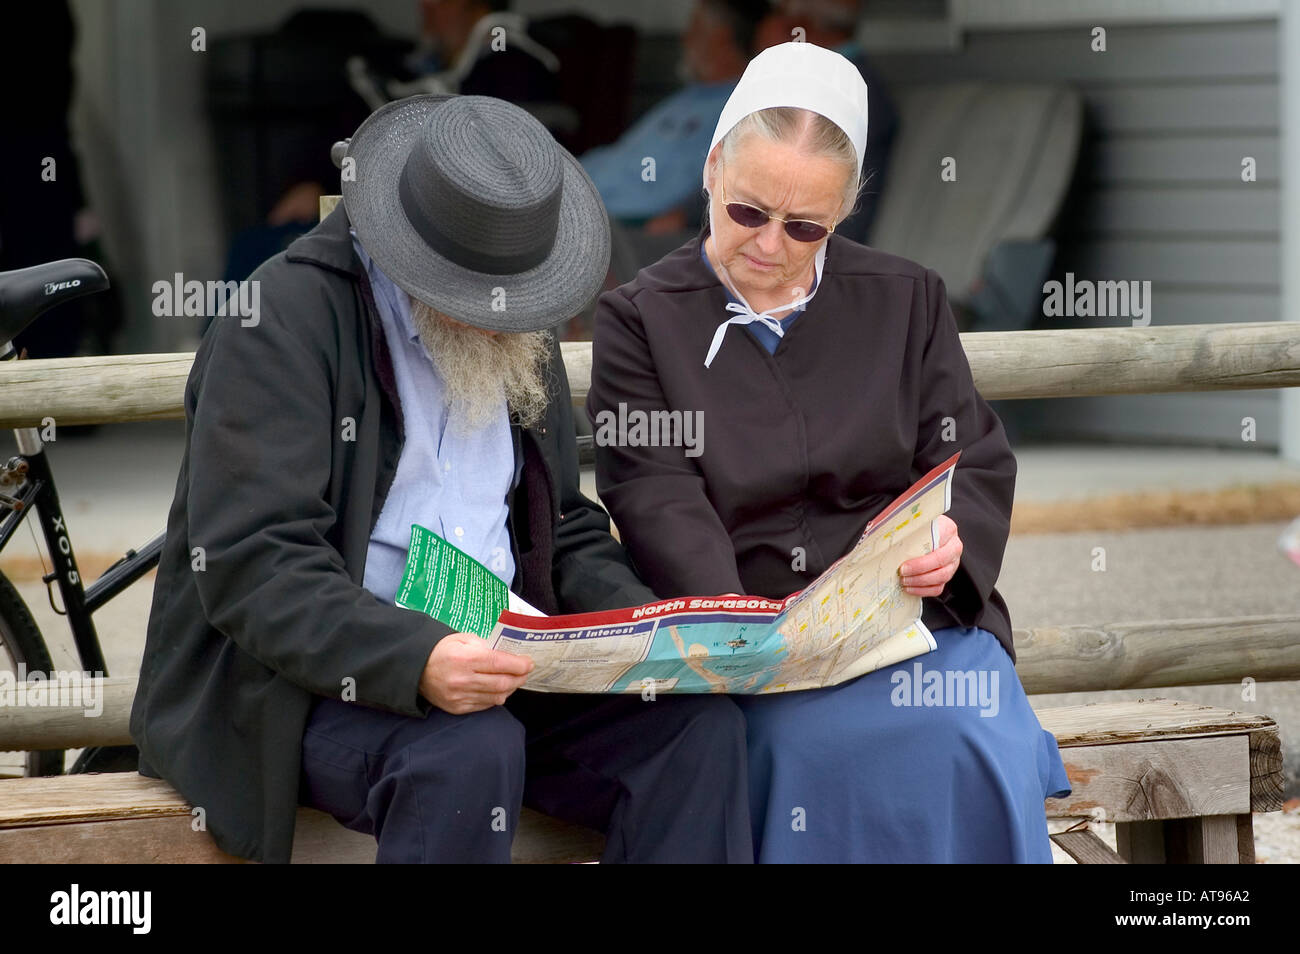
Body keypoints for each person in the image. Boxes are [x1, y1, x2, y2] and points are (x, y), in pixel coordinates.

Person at [130, 93, 752, 864]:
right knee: (466, 752)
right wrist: (414, 658)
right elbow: (253, 563)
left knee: (695, 729)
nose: (517, 317)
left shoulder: (512, 310)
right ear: (415, 256)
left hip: (508, 657)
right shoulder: (279, 320)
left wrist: (641, 635)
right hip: (311, 684)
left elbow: (560, 523)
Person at [586, 42, 1071, 863]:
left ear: (843, 213)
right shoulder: (642, 317)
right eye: (747, 212)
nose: (770, 245)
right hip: (753, 646)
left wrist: (946, 544)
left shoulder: (907, 298)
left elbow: (972, 457)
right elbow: (655, 491)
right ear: (710, 169)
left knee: (967, 725)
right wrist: (745, 627)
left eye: (804, 226)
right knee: (794, 752)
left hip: (908, 630)